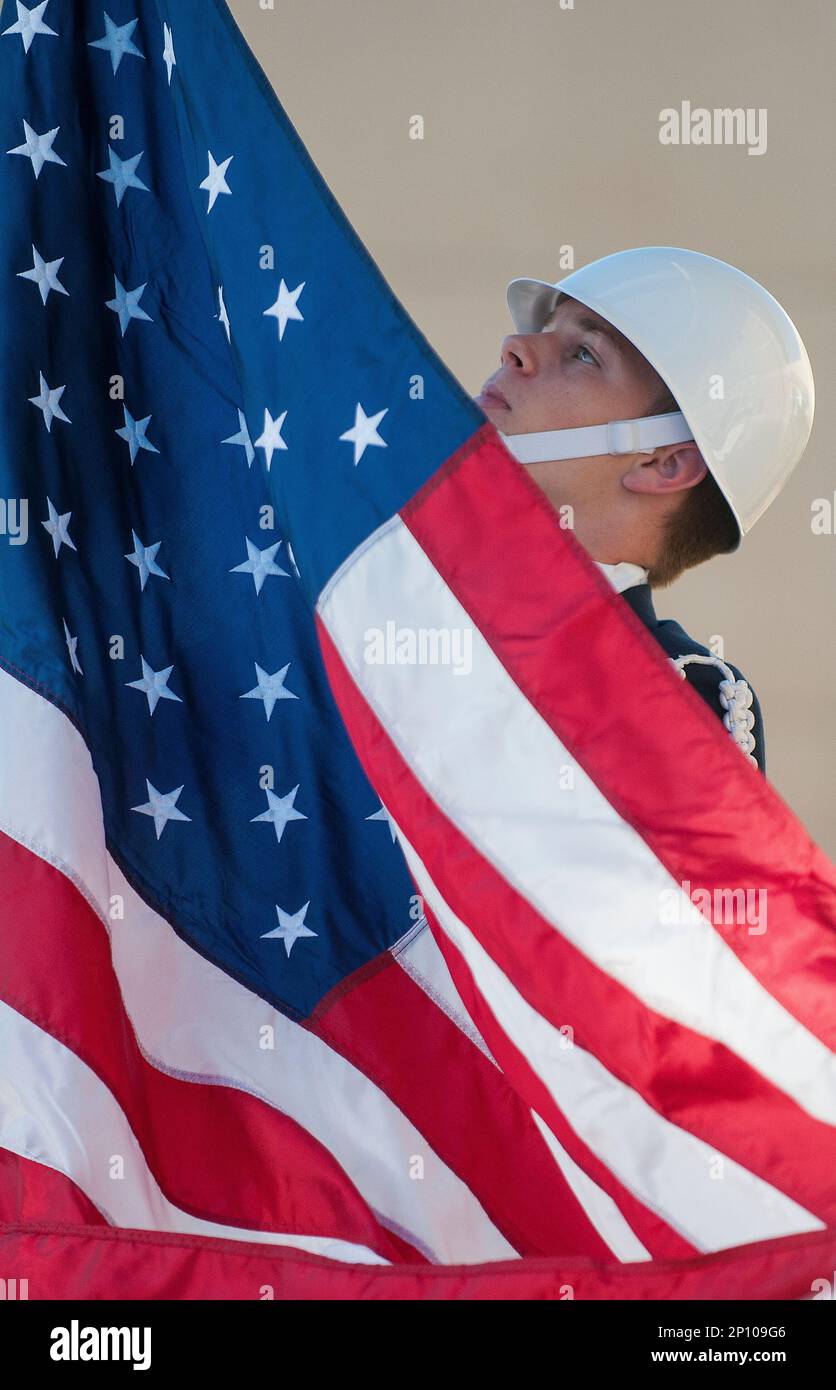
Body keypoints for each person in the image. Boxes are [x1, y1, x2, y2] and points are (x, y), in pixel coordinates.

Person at [474, 247, 816, 773]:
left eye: (585, 353)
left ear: (665, 463)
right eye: (550, 329)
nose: (515, 347)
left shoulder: (679, 696)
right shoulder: (372, 596)